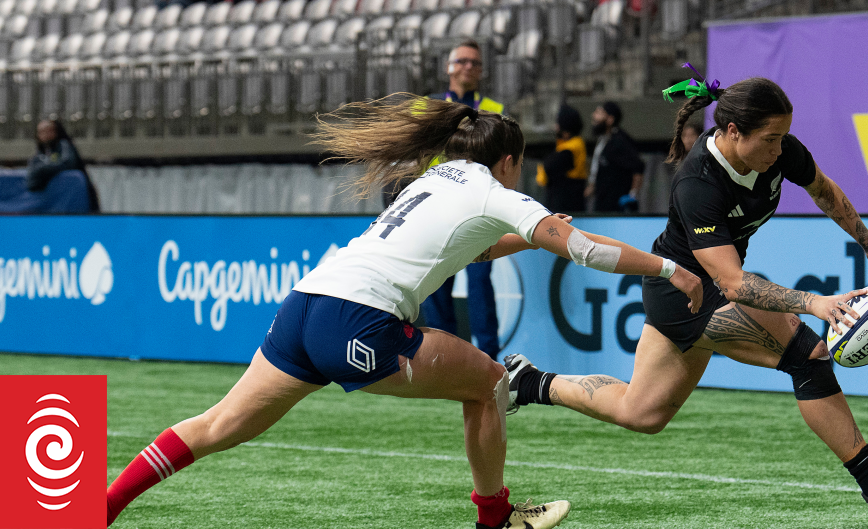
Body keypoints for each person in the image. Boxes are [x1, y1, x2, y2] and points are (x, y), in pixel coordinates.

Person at [105, 95, 705, 529]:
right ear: (509, 161)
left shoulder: (429, 182)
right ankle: (496, 519)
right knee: (492, 383)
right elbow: (584, 249)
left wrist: (526, 238)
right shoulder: (494, 191)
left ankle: (98, 509)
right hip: (359, 321)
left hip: (306, 305)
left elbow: (459, 247)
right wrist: (667, 268)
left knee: (216, 426)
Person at [505, 74, 868, 520]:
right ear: (733, 132)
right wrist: (813, 302)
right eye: (771, 140)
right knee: (807, 354)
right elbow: (733, 283)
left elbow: (823, 189)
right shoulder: (698, 183)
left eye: (784, 137)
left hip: (701, 288)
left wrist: (867, 241)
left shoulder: (778, 151)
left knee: (641, 413)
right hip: (687, 293)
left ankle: (529, 383)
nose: (780, 150)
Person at [420, 41, 507, 360]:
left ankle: (490, 361)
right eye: (462, 61)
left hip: (479, 209)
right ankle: (443, 360)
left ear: (482, 71)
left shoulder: (494, 109)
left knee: (481, 284)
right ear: (449, 67)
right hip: (435, 207)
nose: (469, 67)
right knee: (435, 286)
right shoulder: (428, 107)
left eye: (475, 63)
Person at [27, 120, 100, 212]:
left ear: (55, 131)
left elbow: (67, 163)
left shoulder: (64, 145)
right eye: (41, 132)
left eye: (48, 130)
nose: (45, 134)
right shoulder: (41, 153)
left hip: (72, 201)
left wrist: (42, 170)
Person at [586, 101, 644, 212]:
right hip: (602, 202)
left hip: (615, 206)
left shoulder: (619, 141)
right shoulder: (603, 139)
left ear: (610, 119)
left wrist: (633, 194)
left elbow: (638, 166)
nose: (594, 116)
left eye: (599, 113)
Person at [536, 104, 587, 213]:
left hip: (566, 206)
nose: (555, 127)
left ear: (566, 130)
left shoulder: (570, 149)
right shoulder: (570, 144)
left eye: (558, 124)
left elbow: (549, 167)